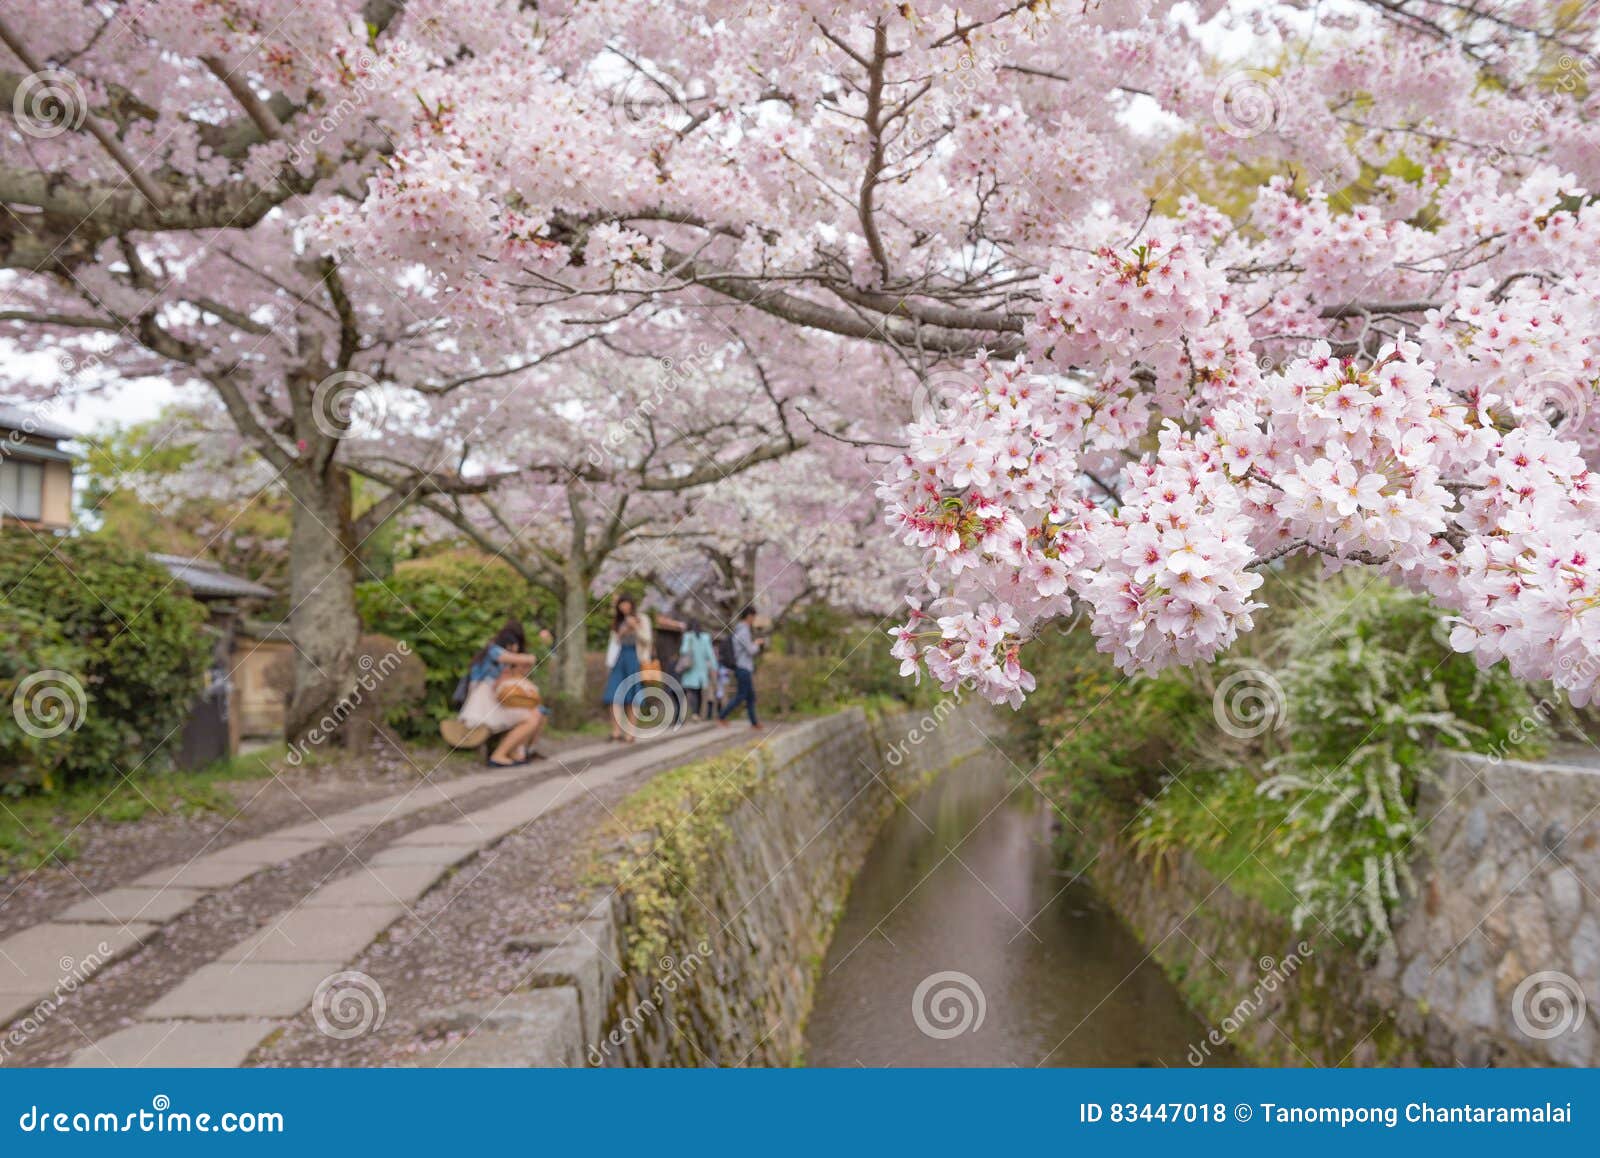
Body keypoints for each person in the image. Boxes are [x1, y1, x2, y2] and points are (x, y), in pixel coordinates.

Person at [455, 619, 546, 766]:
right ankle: (499, 755)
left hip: (490, 701)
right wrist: (528, 658)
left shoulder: (495, 656)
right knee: (530, 718)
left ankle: (516, 752)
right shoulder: (494, 650)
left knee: (535, 713)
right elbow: (519, 658)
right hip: (482, 704)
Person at [603, 596, 653, 742]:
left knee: (633, 697)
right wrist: (623, 631)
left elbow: (648, 640)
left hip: (635, 659)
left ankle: (630, 733)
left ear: (632, 605)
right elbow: (614, 642)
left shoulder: (642, 619)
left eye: (626, 604)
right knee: (613, 696)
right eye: (621, 605)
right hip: (619, 658)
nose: (623, 607)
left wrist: (635, 627)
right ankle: (616, 731)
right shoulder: (617, 621)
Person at [718, 605, 764, 729]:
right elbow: (750, 650)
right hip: (743, 668)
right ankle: (722, 716)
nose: (754, 620)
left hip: (743, 667)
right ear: (749, 616)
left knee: (750, 696)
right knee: (742, 695)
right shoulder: (743, 631)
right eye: (753, 617)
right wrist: (757, 644)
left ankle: (754, 723)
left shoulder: (739, 630)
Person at [675, 619, 717, 719]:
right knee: (698, 692)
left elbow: (683, 651)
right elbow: (710, 654)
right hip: (701, 670)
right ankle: (696, 713)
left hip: (691, 669)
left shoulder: (688, 636)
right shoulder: (705, 638)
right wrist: (715, 667)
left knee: (691, 691)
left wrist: (688, 639)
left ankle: (687, 714)